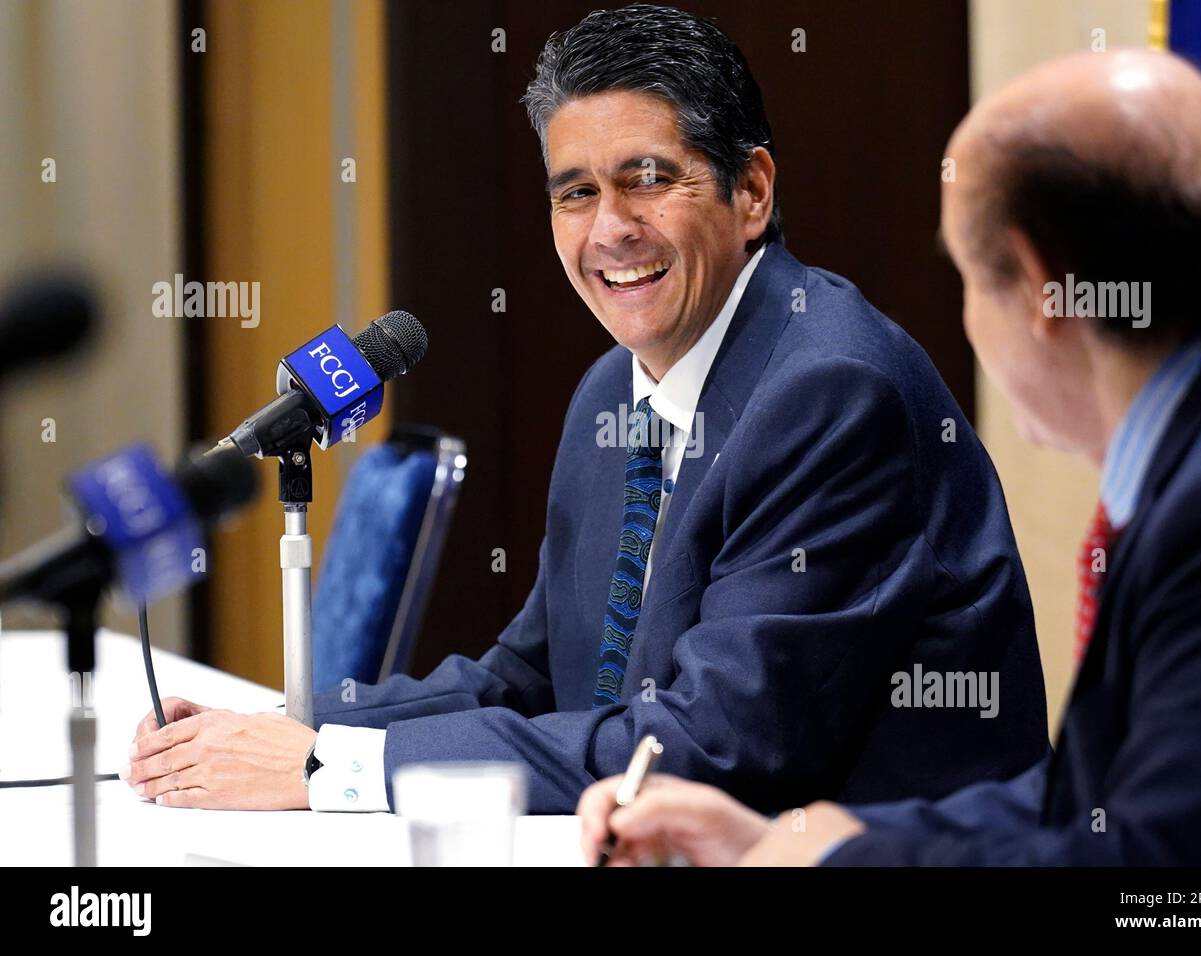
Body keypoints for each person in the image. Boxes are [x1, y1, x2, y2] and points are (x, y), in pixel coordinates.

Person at [123, 4, 1044, 815]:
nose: (609, 230)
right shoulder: (614, 392)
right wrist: (293, 725)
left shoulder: (831, 393)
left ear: (751, 191)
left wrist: (333, 765)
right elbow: (530, 679)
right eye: (576, 193)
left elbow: (711, 749)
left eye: (646, 178)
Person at [576, 47, 1201, 865]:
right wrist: (800, 841)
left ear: (1038, 290)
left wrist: (836, 865)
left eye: (960, 274)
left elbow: (1182, 886)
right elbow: (1113, 798)